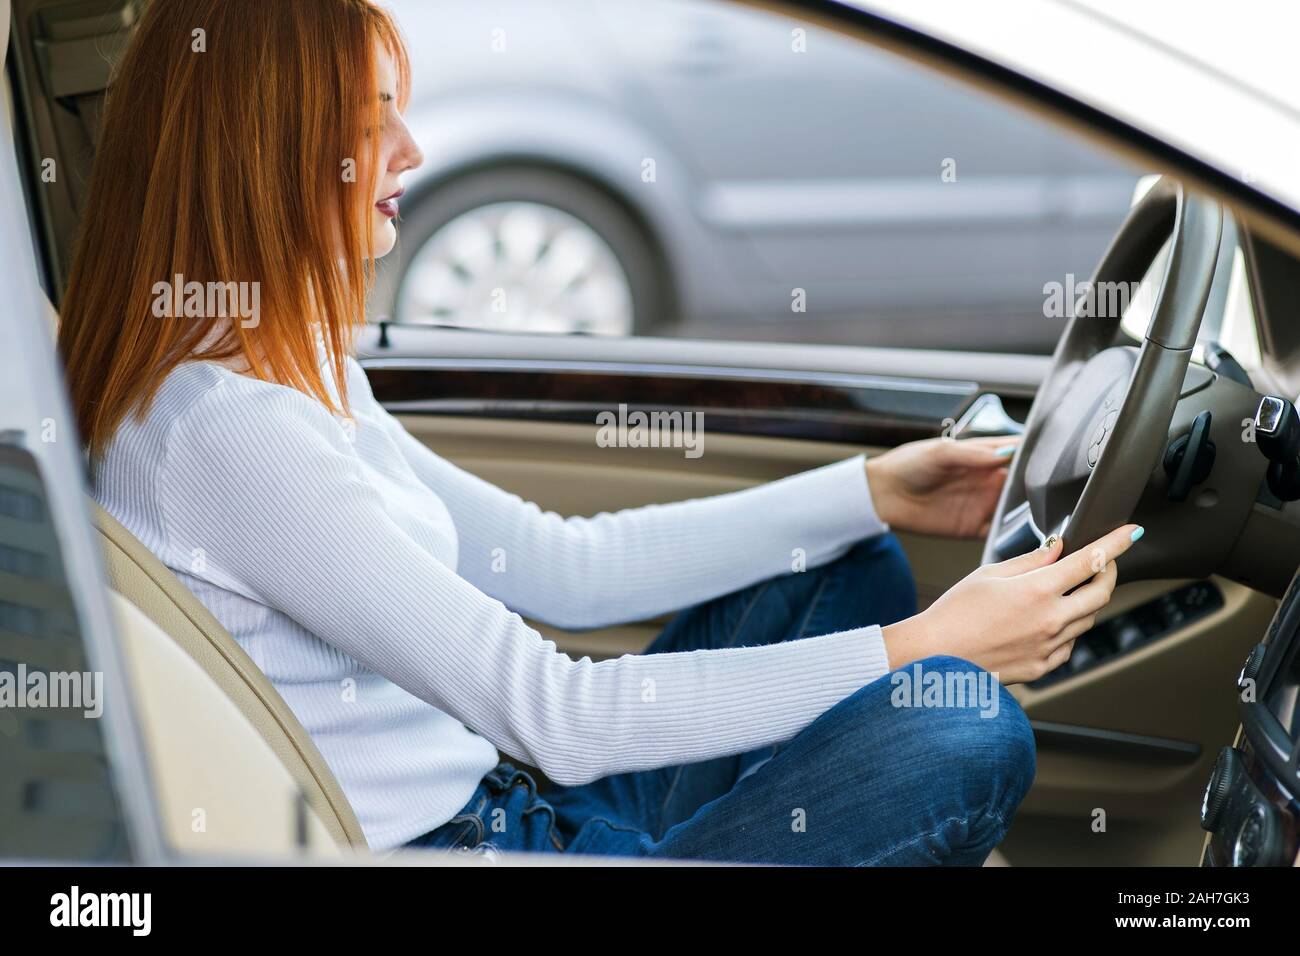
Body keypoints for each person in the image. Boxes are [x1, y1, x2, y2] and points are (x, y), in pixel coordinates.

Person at [56, 0, 1139, 864]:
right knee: (967, 728)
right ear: (267, 148)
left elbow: (559, 565)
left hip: (515, 800)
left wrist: (869, 486)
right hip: (476, 840)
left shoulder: (281, 363)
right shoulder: (226, 434)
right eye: (372, 116)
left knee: (844, 561)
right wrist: (928, 644)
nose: (413, 149)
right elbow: (557, 711)